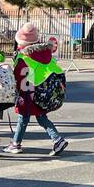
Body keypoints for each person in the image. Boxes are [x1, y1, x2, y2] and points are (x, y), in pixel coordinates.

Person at [5, 22, 69, 156]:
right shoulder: (45, 53)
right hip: (43, 91)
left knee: (23, 117)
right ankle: (57, 140)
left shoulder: (24, 58)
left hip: (28, 92)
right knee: (40, 117)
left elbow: (19, 77)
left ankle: (16, 144)